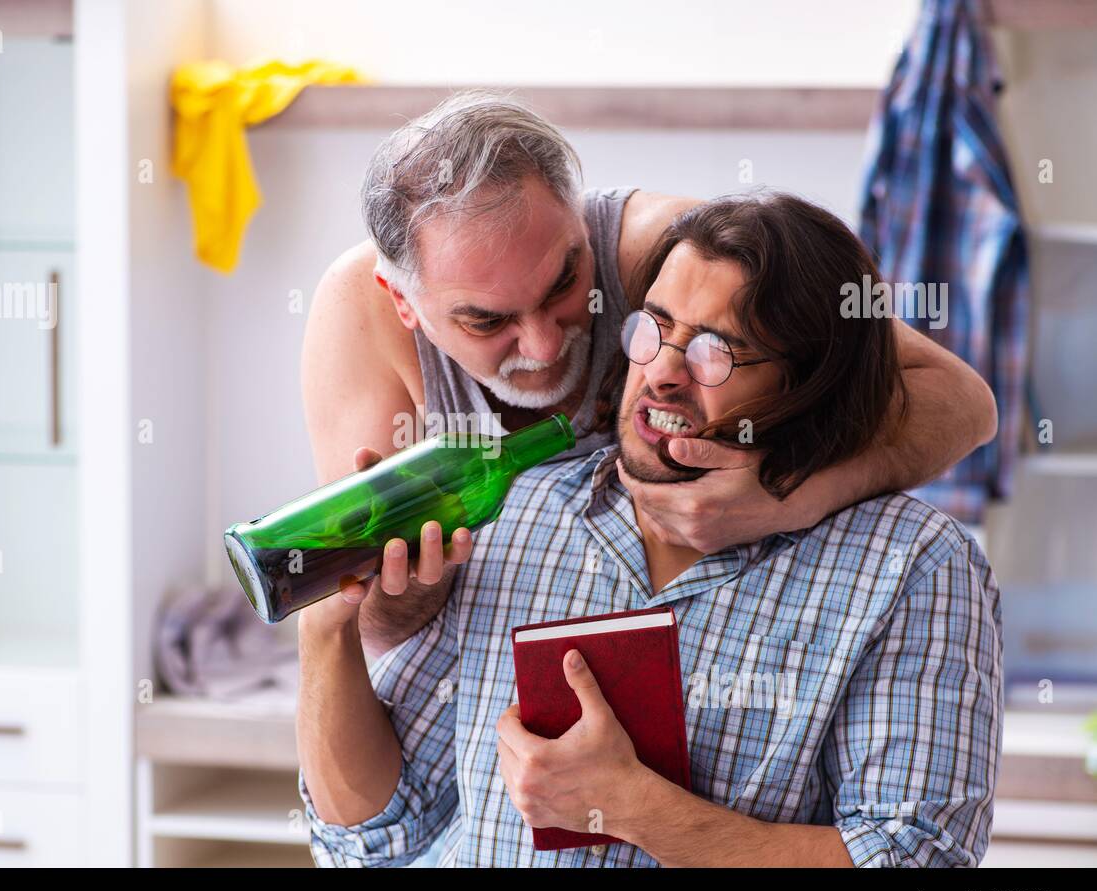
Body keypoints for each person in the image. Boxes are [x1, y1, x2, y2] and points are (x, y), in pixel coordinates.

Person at [295, 193, 1003, 867]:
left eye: (715, 352)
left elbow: (919, 863)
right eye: (653, 329)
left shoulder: (911, 565)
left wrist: (637, 808)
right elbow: (382, 832)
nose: (662, 374)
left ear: (808, 381)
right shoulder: (520, 511)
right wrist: (328, 629)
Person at [301, 91, 1000, 656]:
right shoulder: (358, 315)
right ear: (404, 302)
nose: (543, 346)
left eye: (565, 281)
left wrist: (797, 498)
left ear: (580, 219)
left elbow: (966, 402)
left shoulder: (666, 253)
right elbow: (375, 629)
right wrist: (401, 595)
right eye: (488, 321)